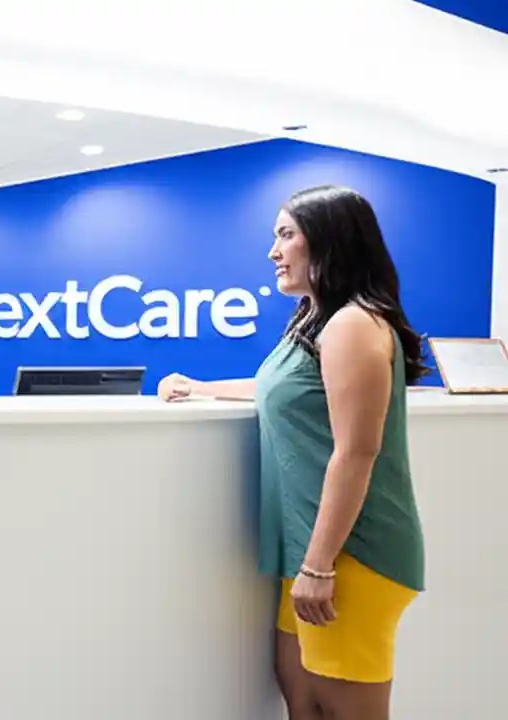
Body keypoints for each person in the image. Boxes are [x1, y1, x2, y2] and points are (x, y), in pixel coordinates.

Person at [157, 185, 425, 720]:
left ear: (329, 241)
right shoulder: (315, 317)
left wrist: (321, 565)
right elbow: (279, 390)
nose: (273, 252)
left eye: (286, 235)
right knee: (302, 698)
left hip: (351, 555)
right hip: (311, 552)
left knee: (342, 707)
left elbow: (356, 452)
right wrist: (200, 386)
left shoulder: (353, 323)